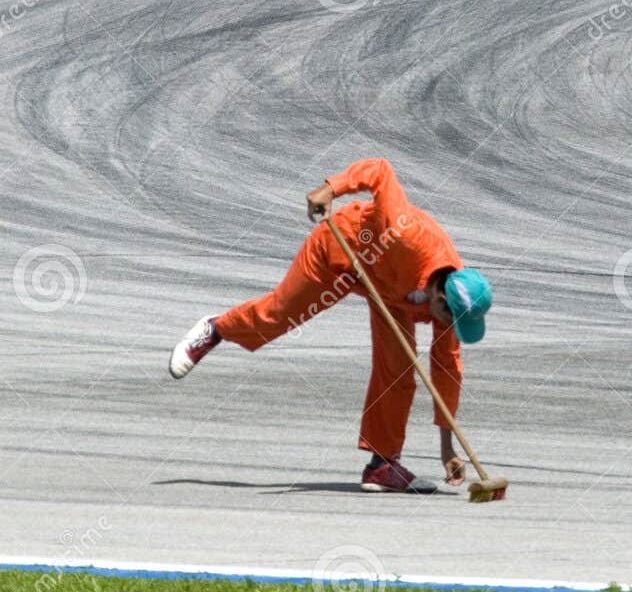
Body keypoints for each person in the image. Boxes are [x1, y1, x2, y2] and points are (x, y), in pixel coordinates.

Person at [168, 158, 494, 493]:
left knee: (397, 369)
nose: (449, 327)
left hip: (389, 295)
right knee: (279, 316)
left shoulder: (452, 309)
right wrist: (330, 188)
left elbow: (446, 372)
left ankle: (382, 465)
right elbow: (380, 171)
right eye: (449, 320)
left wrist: (447, 449)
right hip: (340, 252)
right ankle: (218, 328)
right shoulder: (405, 229)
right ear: (441, 299)